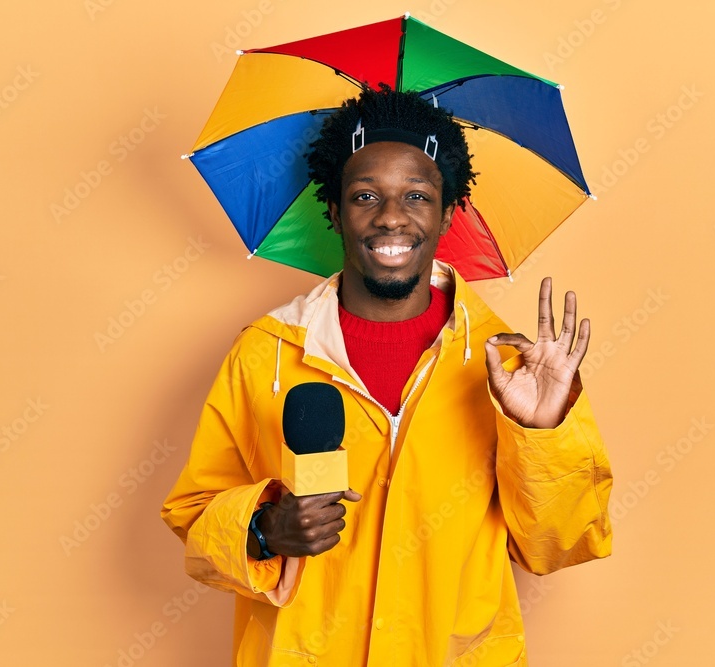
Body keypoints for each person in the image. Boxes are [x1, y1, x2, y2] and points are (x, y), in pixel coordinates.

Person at [161, 85, 612, 666]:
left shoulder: (510, 368)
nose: (391, 216)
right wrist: (264, 530)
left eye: (417, 196)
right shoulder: (265, 353)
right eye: (365, 195)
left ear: (447, 213)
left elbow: (558, 546)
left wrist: (543, 432)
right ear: (334, 211)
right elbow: (194, 514)